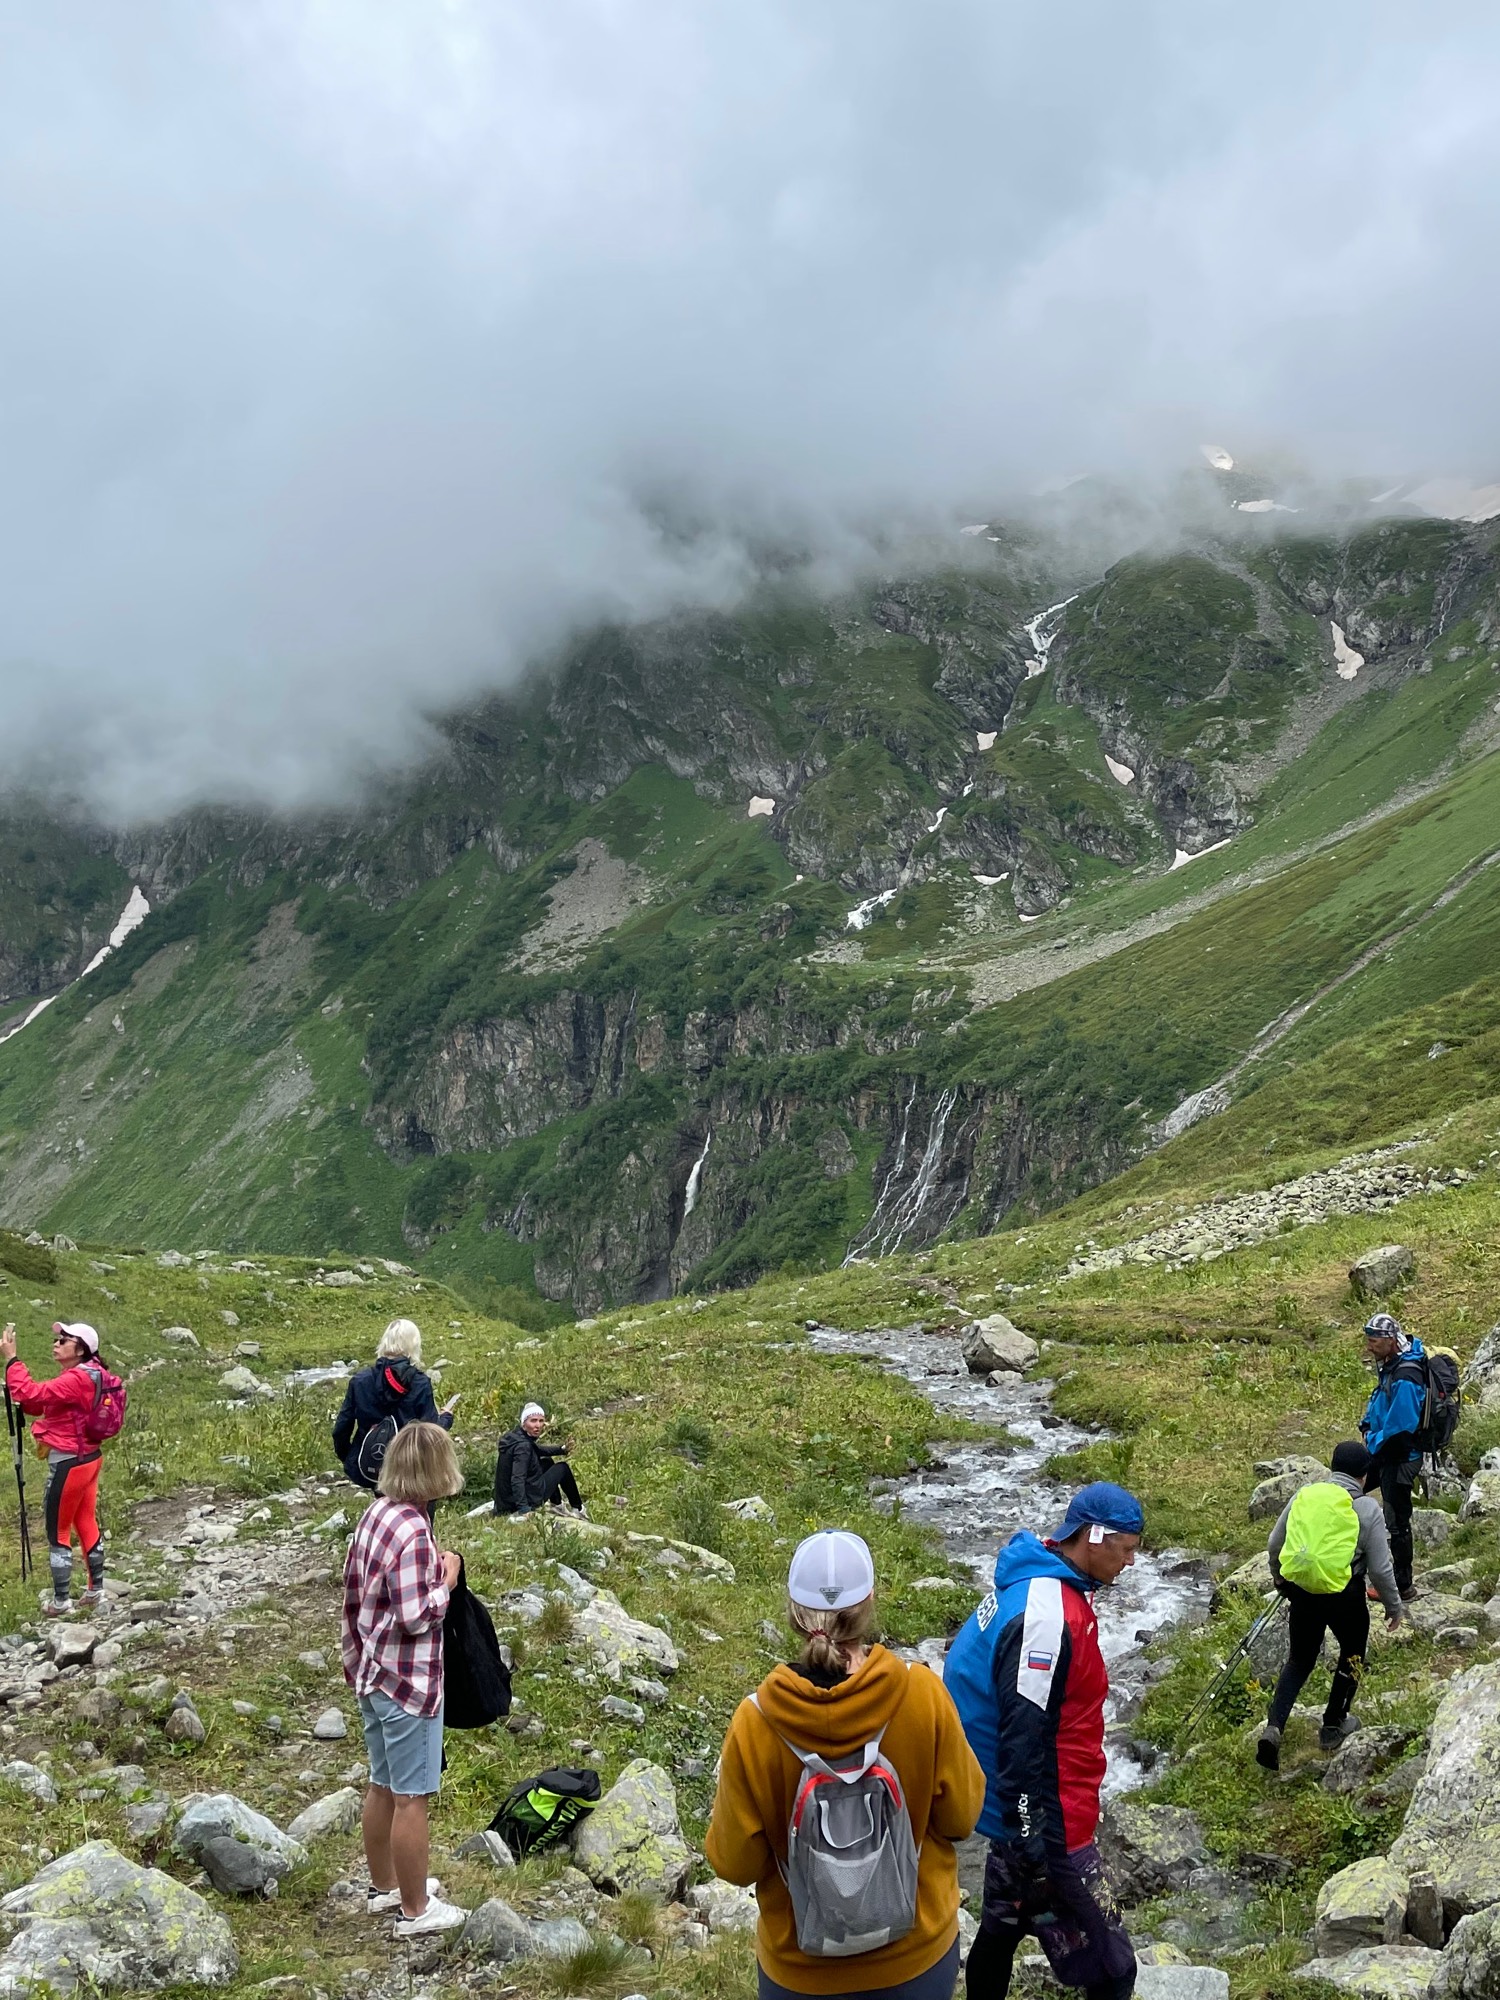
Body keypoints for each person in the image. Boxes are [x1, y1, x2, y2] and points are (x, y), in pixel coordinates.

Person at [706, 1529, 985, 2000]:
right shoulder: (923, 1695)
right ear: (870, 1601)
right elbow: (961, 1820)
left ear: (795, 1614)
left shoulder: (755, 1721)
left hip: (801, 1972)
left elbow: (735, 1863)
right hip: (917, 1960)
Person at [944, 1482, 1145, 2000]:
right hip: (1052, 1820)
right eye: (1126, 1548)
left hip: (1015, 1815)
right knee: (1115, 1966)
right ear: (1094, 1538)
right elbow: (1024, 1736)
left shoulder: (1036, 1578)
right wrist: (1035, 1846)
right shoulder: (1049, 1616)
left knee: (1000, 1930)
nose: (1130, 1561)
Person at [341, 1420, 468, 1938]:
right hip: (407, 1681)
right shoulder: (415, 1529)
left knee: (382, 1783)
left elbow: (360, 1588)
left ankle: (384, 1885)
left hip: (372, 1670)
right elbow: (417, 1615)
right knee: (413, 1796)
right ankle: (416, 1910)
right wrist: (449, 1581)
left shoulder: (376, 1512)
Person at [1255, 1441, 1403, 1771]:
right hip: (1344, 1595)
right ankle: (1333, 1724)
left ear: (1331, 1466)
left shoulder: (1306, 1494)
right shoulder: (1366, 1509)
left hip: (1303, 1590)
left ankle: (1274, 1727)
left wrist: (1280, 1579)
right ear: (1365, 1475)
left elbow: (1274, 1543)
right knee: (1352, 1652)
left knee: (1299, 1660)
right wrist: (1394, 1606)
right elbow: (1379, 1568)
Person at [1, 1320, 111, 1616]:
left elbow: (32, 1395)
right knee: (85, 1520)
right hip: (89, 1457)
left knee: (58, 1530)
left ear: (82, 1349)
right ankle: (95, 1590)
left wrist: (12, 1360)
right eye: (58, 1339)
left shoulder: (76, 1379)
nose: (56, 1343)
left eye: (64, 1340)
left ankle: (61, 1602)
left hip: (68, 1461)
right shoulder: (93, 1373)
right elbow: (44, 1402)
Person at [332, 1319, 459, 1492]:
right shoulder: (420, 1382)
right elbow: (430, 1432)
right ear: (414, 1345)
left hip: (372, 1464)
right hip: (409, 1468)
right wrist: (446, 1419)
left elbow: (341, 1429)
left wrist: (351, 1457)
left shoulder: (359, 1381)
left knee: (384, 1505)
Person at [1358, 1313, 1425, 1601]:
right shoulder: (1392, 1364)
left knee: (1397, 1522)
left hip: (1398, 1457)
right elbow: (1382, 1405)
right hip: (1385, 1453)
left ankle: (1402, 1586)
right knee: (1347, 1492)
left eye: (1373, 1341)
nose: (1369, 1347)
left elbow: (1400, 1428)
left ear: (1389, 1341)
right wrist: (1367, 1424)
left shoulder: (1407, 1376)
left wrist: (1371, 1438)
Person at [493, 1402, 584, 1516]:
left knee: (547, 1462)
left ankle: (557, 1505)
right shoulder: (523, 1447)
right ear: (524, 1423)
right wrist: (524, 1509)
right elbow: (517, 1478)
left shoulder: (515, 1438)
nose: (538, 1425)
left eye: (541, 1421)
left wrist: (562, 1449)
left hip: (505, 1501)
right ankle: (578, 1509)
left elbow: (537, 1449)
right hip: (516, 1504)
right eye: (533, 1420)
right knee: (563, 1468)